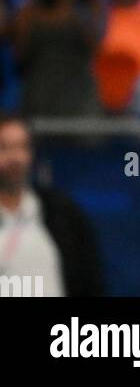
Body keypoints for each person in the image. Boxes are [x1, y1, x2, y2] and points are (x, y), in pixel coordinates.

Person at [0, 111, 104, 296]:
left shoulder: (61, 214)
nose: (14, 157)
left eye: (21, 147)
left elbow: (89, 281)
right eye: (4, 147)